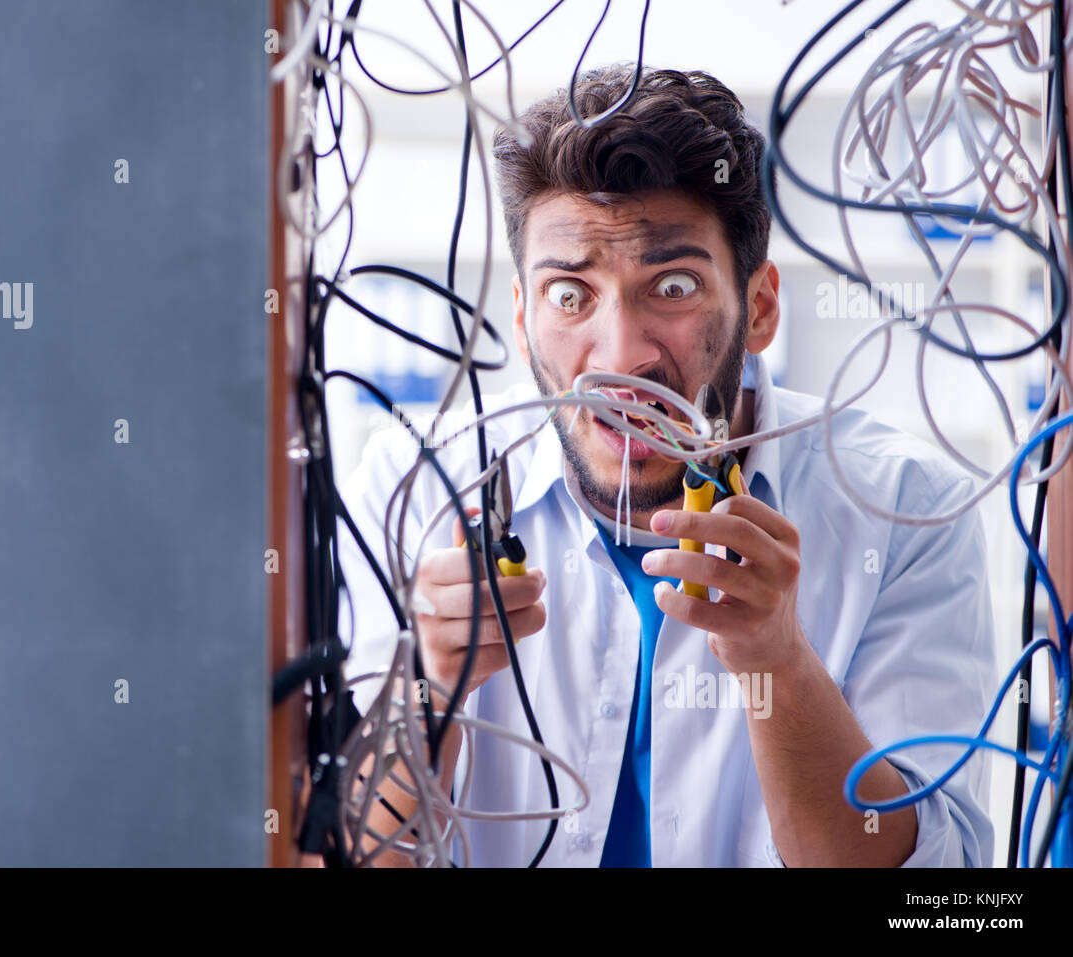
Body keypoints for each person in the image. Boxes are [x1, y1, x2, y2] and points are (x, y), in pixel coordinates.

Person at [339, 64, 994, 867]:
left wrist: (778, 664)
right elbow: (348, 853)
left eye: (672, 286)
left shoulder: (903, 512)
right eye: (570, 295)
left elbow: (942, 902)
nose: (621, 358)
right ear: (520, 315)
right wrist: (429, 688)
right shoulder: (411, 493)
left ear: (758, 308)